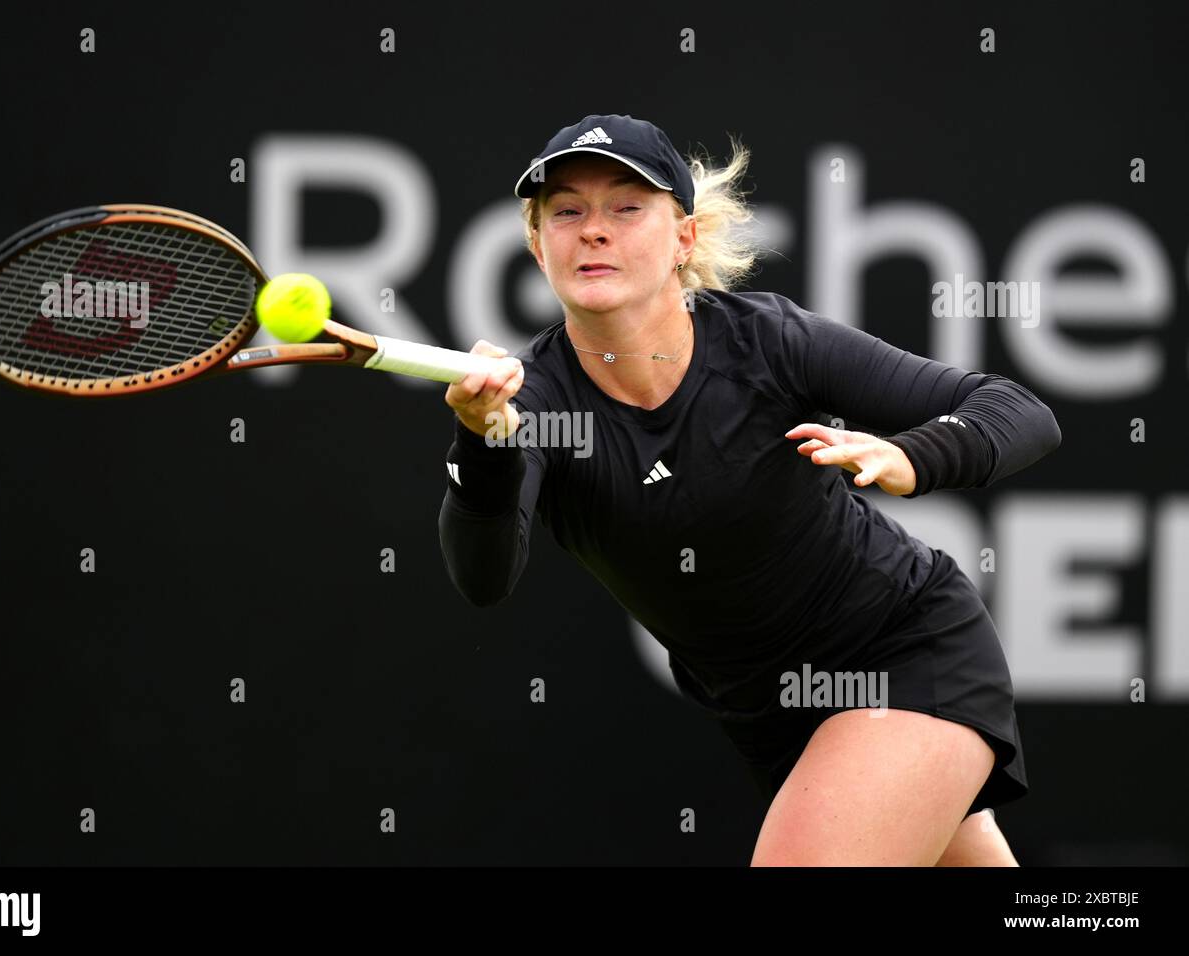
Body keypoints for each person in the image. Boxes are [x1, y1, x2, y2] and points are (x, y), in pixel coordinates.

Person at [437, 113, 1062, 866]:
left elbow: (1019, 411)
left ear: (685, 238)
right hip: (774, 715)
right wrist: (485, 439)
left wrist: (911, 455)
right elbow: (484, 576)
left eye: (627, 207)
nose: (592, 231)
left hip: (903, 650)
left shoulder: (770, 343)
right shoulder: (535, 410)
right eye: (566, 211)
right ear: (539, 246)